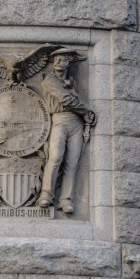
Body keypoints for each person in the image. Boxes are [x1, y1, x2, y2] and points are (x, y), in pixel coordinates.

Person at [39, 48, 95, 215]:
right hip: (59, 120)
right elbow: (64, 98)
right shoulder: (49, 80)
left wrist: (84, 116)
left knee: (72, 162)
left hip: (76, 123)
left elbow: (73, 99)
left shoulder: (72, 82)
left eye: (62, 59)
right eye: (55, 59)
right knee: (55, 157)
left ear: (69, 62)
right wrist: (86, 111)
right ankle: (46, 195)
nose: (58, 62)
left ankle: (65, 200)